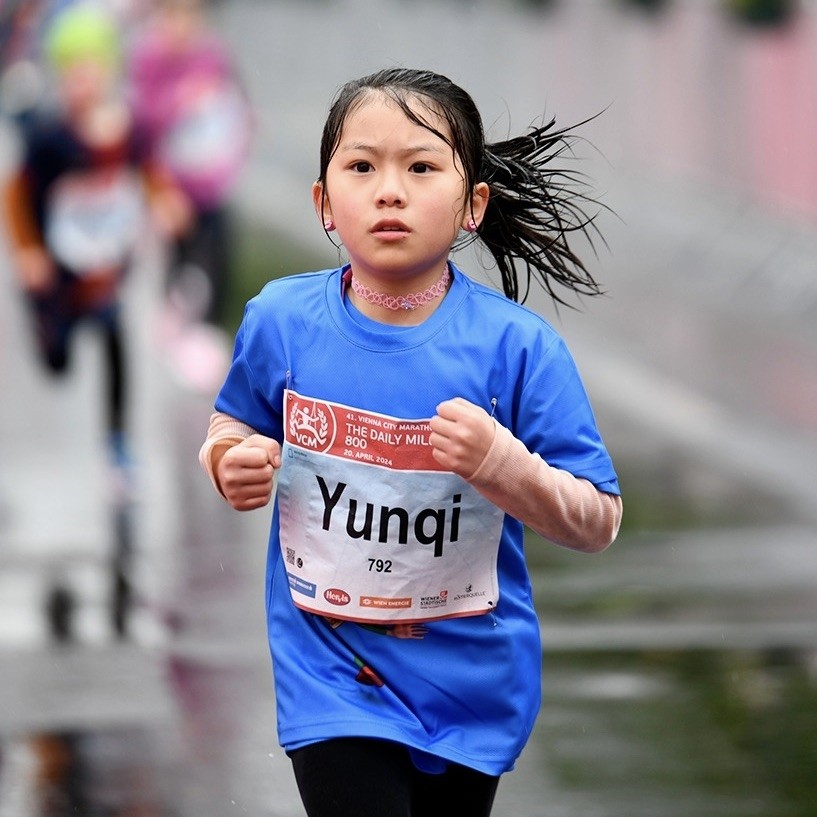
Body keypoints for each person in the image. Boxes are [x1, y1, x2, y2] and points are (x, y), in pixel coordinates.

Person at [198, 67, 622, 817]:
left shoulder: (515, 349)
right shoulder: (282, 322)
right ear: (325, 202)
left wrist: (500, 462)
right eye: (361, 167)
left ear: (471, 204)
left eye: (421, 167)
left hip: (472, 682)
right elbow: (234, 421)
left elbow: (595, 519)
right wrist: (228, 461)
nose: (388, 190)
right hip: (329, 675)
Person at [1, 2, 190, 486]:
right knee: (57, 364)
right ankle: (45, 328)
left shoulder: (129, 130)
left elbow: (149, 170)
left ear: (110, 70)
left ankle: (117, 443)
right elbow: (15, 194)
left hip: (106, 265)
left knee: (113, 336)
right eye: (71, 73)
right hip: (56, 272)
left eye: (91, 70)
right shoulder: (48, 136)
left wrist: (165, 199)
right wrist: (28, 253)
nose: (82, 82)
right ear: (59, 76)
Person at [127, 0, 252, 390]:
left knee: (218, 258)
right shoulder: (147, 58)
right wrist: (159, 193)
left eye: (191, 14)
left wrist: (235, 148)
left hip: (211, 185)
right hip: (172, 190)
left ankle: (209, 342)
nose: (183, 24)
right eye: (175, 14)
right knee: (182, 270)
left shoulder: (212, 54)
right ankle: (179, 342)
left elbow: (235, 108)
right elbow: (141, 129)